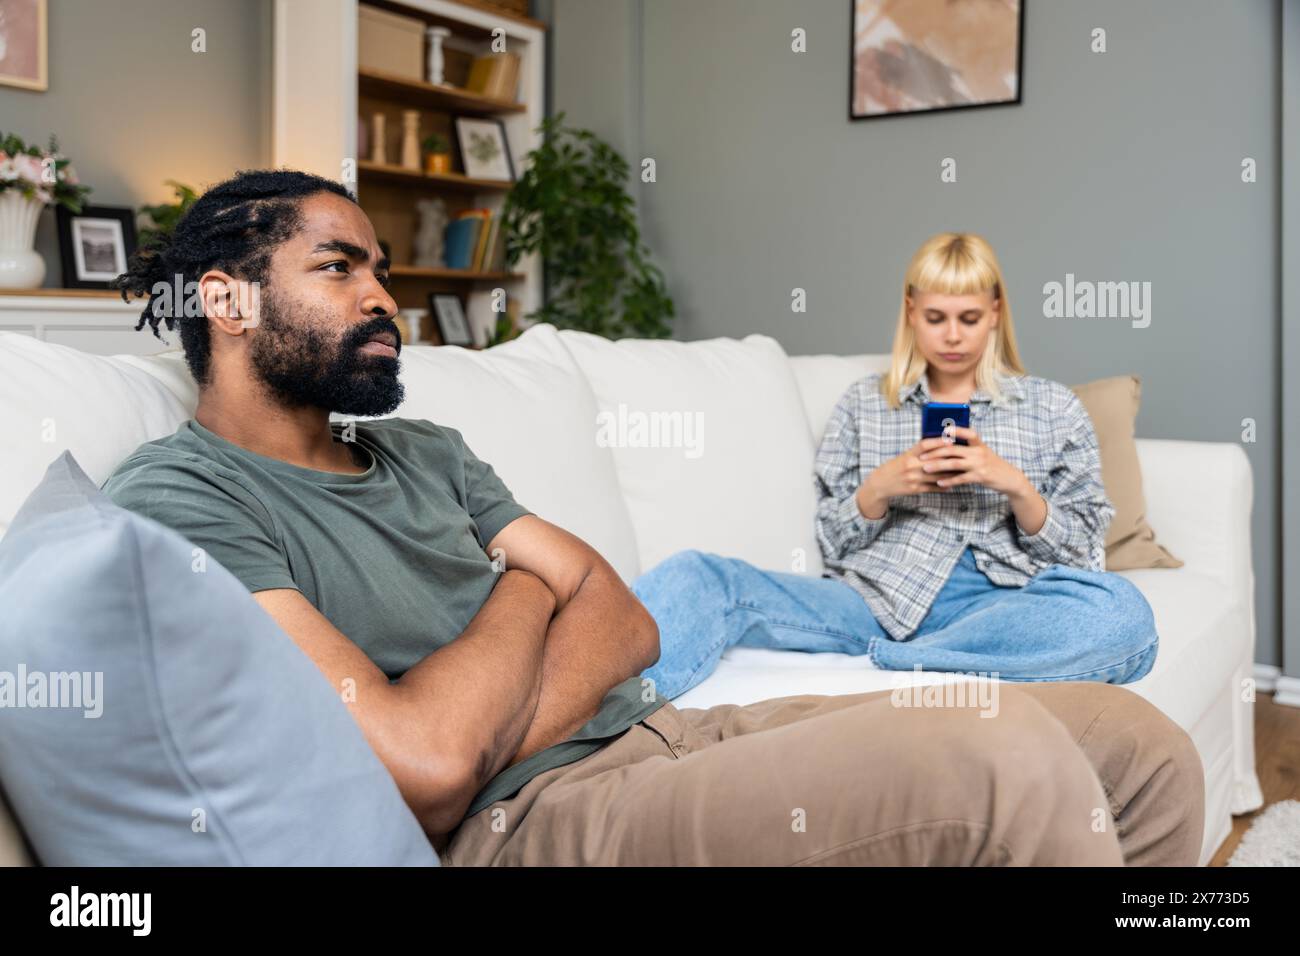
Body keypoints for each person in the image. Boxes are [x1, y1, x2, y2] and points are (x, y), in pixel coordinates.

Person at [101, 174, 1201, 865]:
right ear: (225, 298)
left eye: (381, 270)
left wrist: (525, 635)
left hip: (652, 728)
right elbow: (433, 765)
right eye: (336, 267)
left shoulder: (422, 448)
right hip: (524, 816)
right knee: (998, 749)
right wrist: (537, 586)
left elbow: (625, 620)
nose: (384, 296)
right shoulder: (185, 494)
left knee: (1139, 747)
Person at [634, 233, 1159, 701]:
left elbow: (1087, 554)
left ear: (996, 311)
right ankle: (598, 717)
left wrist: (1016, 488)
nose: (952, 336)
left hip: (999, 608)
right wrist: (879, 490)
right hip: (869, 601)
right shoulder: (864, 404)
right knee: (697, 573)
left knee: (1124, 615)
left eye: (969, 318)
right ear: (911, 311)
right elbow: (831, 541)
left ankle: (919, 656)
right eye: (936, 318)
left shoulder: (1054, 408)